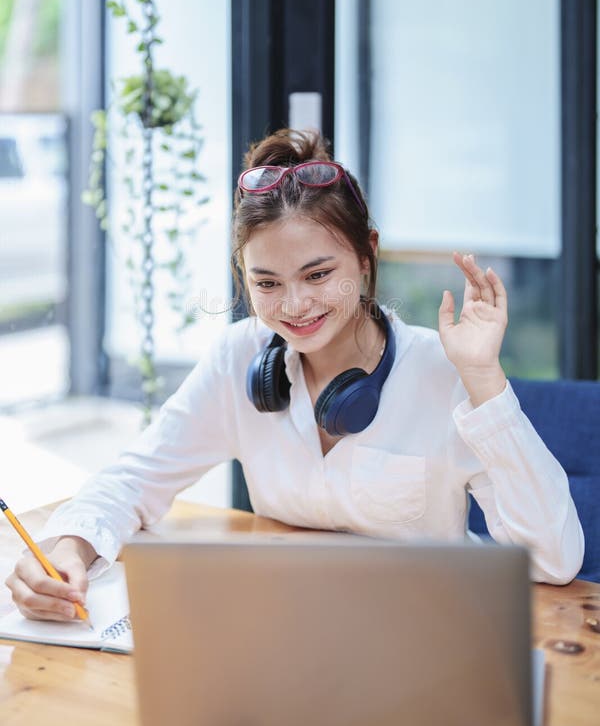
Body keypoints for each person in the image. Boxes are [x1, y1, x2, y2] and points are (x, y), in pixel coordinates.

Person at [6, 129, 584, 622]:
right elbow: (134, 478)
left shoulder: (442, 370)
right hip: (288, 630)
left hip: (422, 636)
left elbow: (555, 559)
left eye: (318, 274)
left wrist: (483, 377)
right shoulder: (240, 358)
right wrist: (71, 549)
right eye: (267, 283)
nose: (295, 306)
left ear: (366, 257)